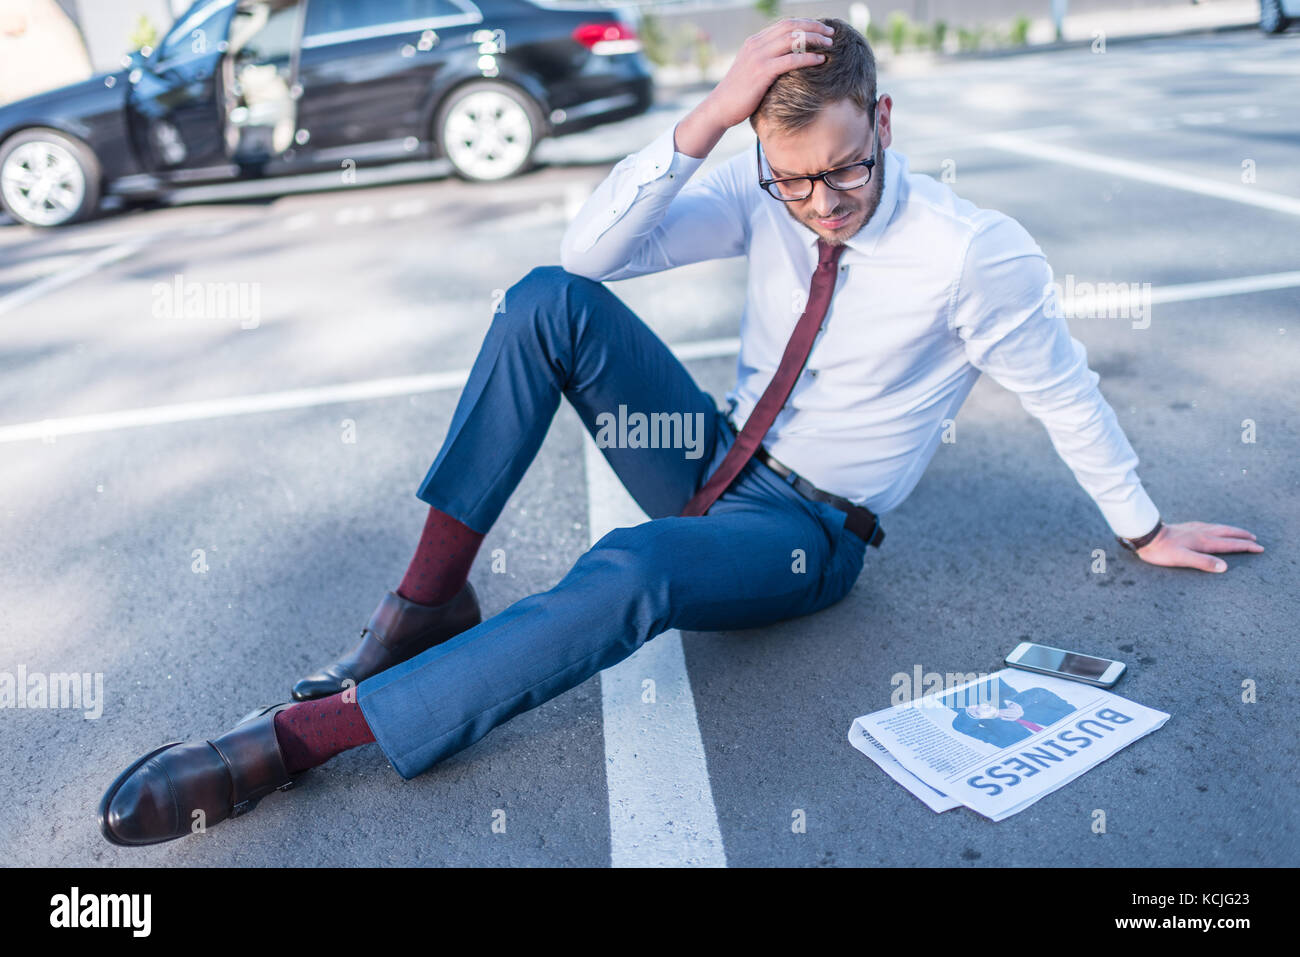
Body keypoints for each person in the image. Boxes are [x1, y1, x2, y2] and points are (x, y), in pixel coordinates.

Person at [97, 16, 1262, 847]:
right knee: (545, 303)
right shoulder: (762, 184)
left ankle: (305, 739)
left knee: (639, 564)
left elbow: (1062, 389)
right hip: (708, 455)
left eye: (846, 171)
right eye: (793, 179)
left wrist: (1143, 524)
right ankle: (423, 605)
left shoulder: (975, 252)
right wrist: (708, 116)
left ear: (886, 121)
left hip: (807, 533)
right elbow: (590, 256)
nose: (821, 203)